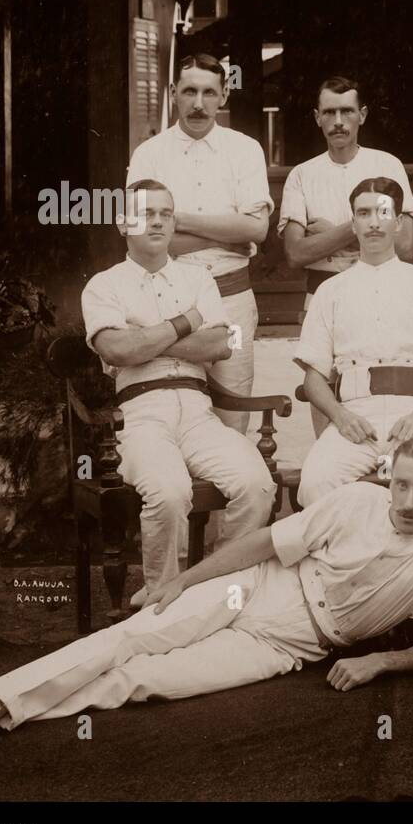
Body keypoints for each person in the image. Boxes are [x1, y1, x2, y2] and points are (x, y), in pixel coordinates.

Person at [0, 435, 413, 744]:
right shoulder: (356, 500)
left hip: (287, 646)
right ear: (389, 478)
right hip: (256, 587)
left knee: (143, 680)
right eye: (400, 483)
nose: (406, 501)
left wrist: (379, 662)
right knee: (131, 638)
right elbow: (261, 545)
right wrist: (183, 581)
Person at [79, 180, 275, 606]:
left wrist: (142, 340)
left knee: (257, 484)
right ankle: (162, 598)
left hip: (200, 412)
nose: (157, 221)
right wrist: (186, 322)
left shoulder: (199, 278)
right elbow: (115, 349)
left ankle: (216, 591)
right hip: (142, 414)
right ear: (121, 223)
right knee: (168, 493)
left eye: (166, 213)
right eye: (146, 213)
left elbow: (222, 344)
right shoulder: (103, 285)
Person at [126, 53, 273, 434]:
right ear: (173, 93)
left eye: (209, 92)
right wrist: (228, 231)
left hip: (233, 300)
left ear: (224, 95)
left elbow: (256, 231)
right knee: (168, 399)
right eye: (189, 91)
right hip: (168, 304)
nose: (198, 103)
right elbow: (141, 236)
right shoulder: (149, 154)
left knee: (234, 401)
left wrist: (176, 221)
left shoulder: (245, 149)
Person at [294, 178, 413, 514]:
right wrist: (341, 417)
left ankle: (412, 565)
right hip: (357, 417)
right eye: (363, 213)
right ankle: (351, 564)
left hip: (412, 414)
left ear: (398, 222)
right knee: (315, 483)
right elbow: (313, 377)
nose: (373, 222)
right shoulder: (331, 291)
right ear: (353, 223)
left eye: (383, 212)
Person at [279, 79, 413, 436]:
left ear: (363, 115)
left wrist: (331, 233)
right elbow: (296, 252)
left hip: (384, 289)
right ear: (317, 118)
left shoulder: (387, 164)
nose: (338, 121)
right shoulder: (302, 175)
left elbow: (405, 247)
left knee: (381, 388)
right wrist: (363, 228)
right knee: (325, 392)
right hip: (323, 292)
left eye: (346, 111)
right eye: (329, 112)